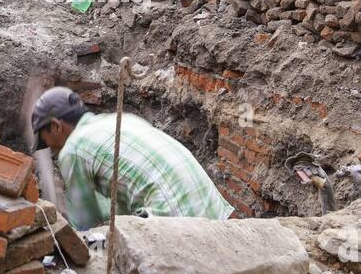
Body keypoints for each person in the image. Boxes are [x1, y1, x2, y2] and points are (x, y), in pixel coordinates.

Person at [31, 86, 234, 231]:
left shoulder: (74, 149)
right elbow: (123, 200)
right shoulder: (122, 120)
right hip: (215, 217)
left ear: (56, 126)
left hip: (176, 226)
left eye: (45, 140)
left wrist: (64, 218)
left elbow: (86, 223)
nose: (50, 149)